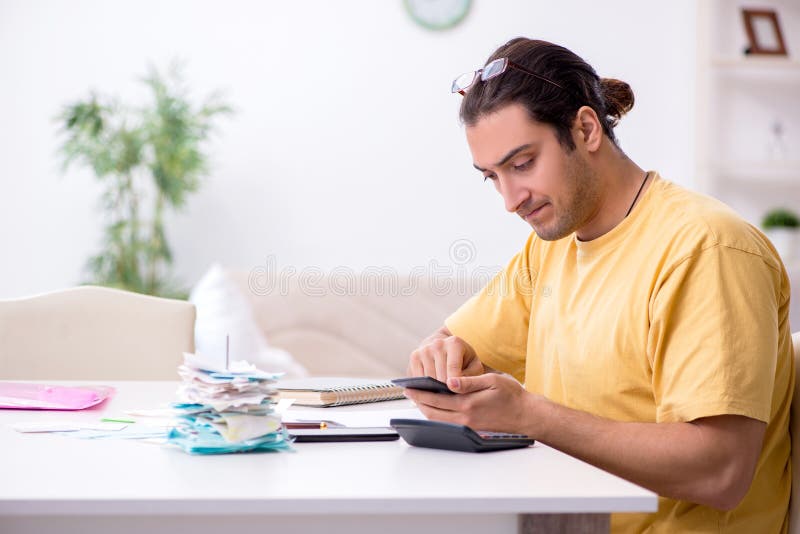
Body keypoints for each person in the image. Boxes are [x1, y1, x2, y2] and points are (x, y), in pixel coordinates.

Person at [406, 37, 794, 533]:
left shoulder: (706, 250)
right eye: (492, 177)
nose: (510, 199)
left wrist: (530, 415)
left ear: (586, 128)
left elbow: (721, 471)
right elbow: (454, 345)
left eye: (523, 164)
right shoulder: (551, 245)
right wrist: (441, 358)